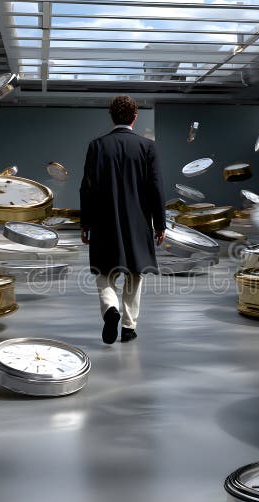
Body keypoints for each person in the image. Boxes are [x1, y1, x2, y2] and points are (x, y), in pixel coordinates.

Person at [80, 95, 166, 344]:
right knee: (135, 273)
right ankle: (128, 326)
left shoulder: (97, 146)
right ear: (135, 118)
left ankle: (110, 309)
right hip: (138, 220)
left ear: (111, 116)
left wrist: (85, 223)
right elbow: (156, 187)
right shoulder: (147, 147)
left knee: (104, 272)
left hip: (104, 221)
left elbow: (87, 188)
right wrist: (160, 224)